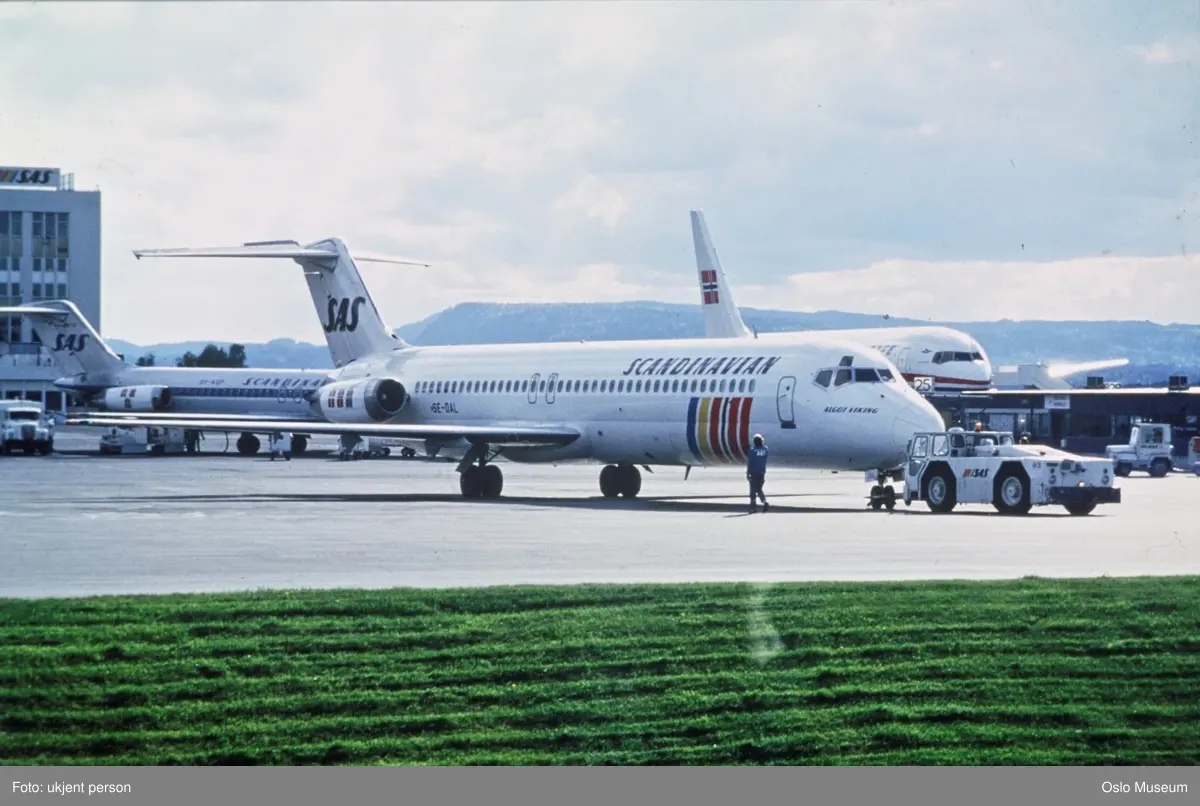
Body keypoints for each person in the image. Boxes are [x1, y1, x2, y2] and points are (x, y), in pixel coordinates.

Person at [746, 433, 769, 513]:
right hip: (762, 472)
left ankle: (753, 508)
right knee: (758, 489)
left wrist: (748, 473)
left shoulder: (752, 451)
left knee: (753, 491)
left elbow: (750, 462)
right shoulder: (765, 449)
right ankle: (764, 502)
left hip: (754, 472)